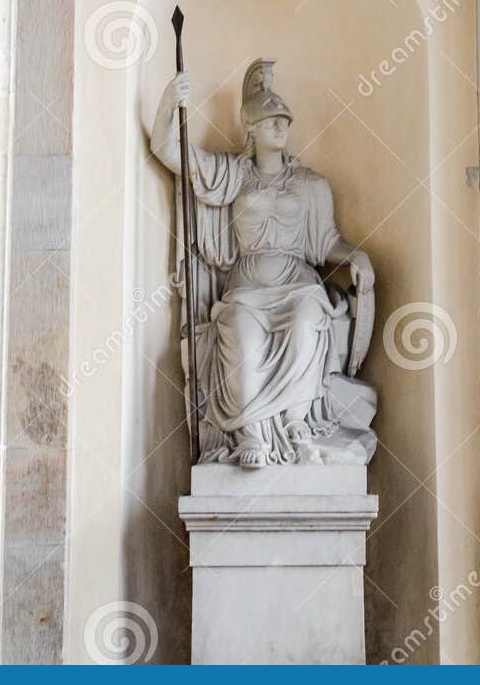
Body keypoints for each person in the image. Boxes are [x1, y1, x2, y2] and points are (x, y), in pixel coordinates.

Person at [150, 58, 374, 468]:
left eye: (284, 120)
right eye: (271, 119)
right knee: (236, 328)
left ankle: (294, 419)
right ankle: (251, 430)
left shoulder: (312, 185)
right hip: (248, 288)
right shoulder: (231, 176)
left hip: (297, 282)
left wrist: (357, 255)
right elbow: (167, 150)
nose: (281, 126)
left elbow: (326, 242)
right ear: (250, 128)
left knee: (310, 317)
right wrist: (169, 103)